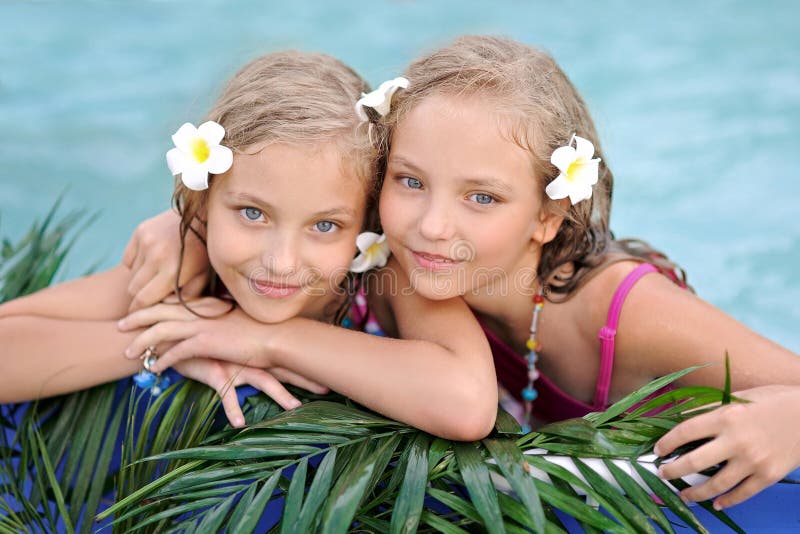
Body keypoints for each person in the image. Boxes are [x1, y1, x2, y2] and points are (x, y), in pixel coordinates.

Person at [123, 35, 800, 510]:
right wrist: (188, 223)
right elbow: (304, 165)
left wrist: (790, 421)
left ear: (547, 216)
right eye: (410, 181)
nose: (432, 226)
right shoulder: (403, 273)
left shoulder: (627, 315)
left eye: (482, 197)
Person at [0, 49, 497, 440]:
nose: (280, 261)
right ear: (201, 204)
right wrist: (177, 338)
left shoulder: (385, 281)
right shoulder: (191, 272)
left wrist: (266, 339)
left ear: (368, 223)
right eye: (252, 214)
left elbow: (468, 406)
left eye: (325, 226)